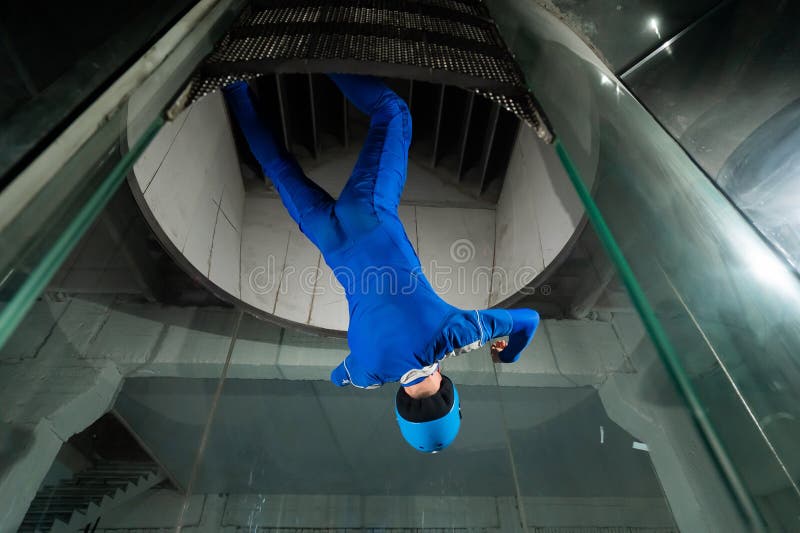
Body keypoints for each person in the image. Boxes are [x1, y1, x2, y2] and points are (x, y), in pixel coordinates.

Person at [223, 74, 540, 453]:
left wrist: (508, 354)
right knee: (277, 166)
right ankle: (235, 86)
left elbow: (529, 321)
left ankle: (323, 51)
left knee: (393, 113)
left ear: (453, 399)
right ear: (400, 408)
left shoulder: (453, 335)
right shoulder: (367, 374)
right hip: (328, 238)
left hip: (368, 213)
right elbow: (337, 377)